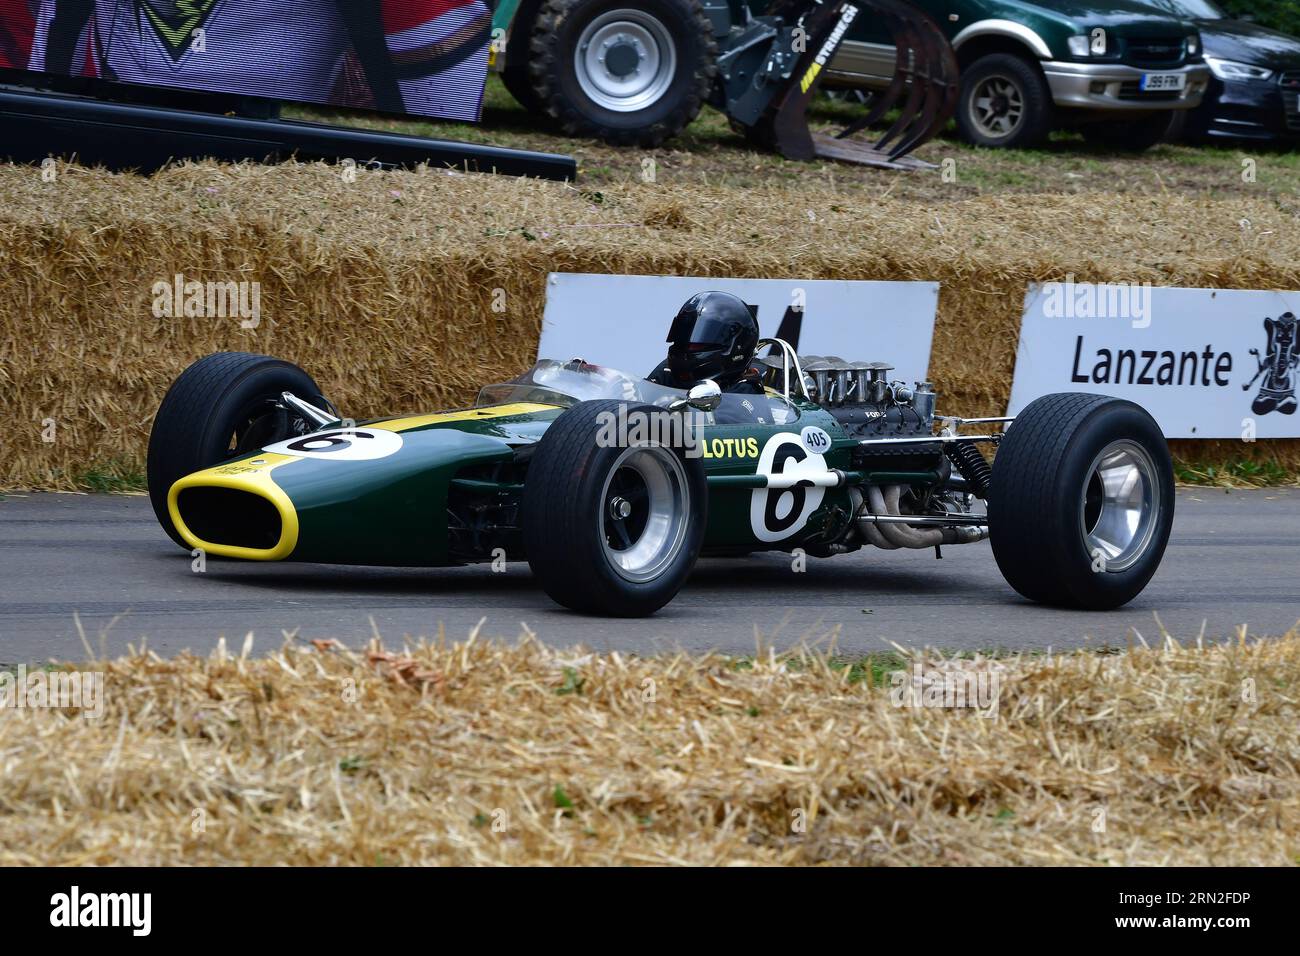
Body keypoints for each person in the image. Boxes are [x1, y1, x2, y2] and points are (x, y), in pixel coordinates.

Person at [646, 291, 764, 394]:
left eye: (699, 340)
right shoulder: (668, 370)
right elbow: (639, 401)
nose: (687, 346)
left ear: (736, 347)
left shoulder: (747, 390)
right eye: (683, 334)